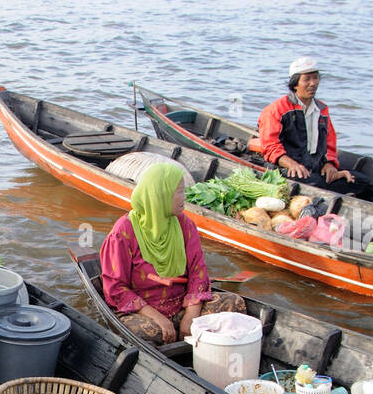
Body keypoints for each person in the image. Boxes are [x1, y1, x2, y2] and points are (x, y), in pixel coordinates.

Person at [101, 163, 246, 345]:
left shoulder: (185, 225)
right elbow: (115, 289)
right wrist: (159, 319)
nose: (184, 198)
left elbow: (198, 274)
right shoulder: (123, 232)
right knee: (146, 333)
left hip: (181, 306)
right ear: (160, 195)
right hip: (143, 311)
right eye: (179, 192)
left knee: (235, 304)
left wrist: (191, 316)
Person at [257, 56, 355, 190]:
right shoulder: (276, 110)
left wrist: (330, 164)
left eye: (315, 78)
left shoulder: (322, 109)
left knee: (360, 182)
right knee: (316, 183)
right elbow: (270, 147)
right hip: (286, 168)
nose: (313, 83)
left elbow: (329, 143)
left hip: (314, 167)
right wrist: (292, 164)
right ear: (295, 84)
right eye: (307, 79)